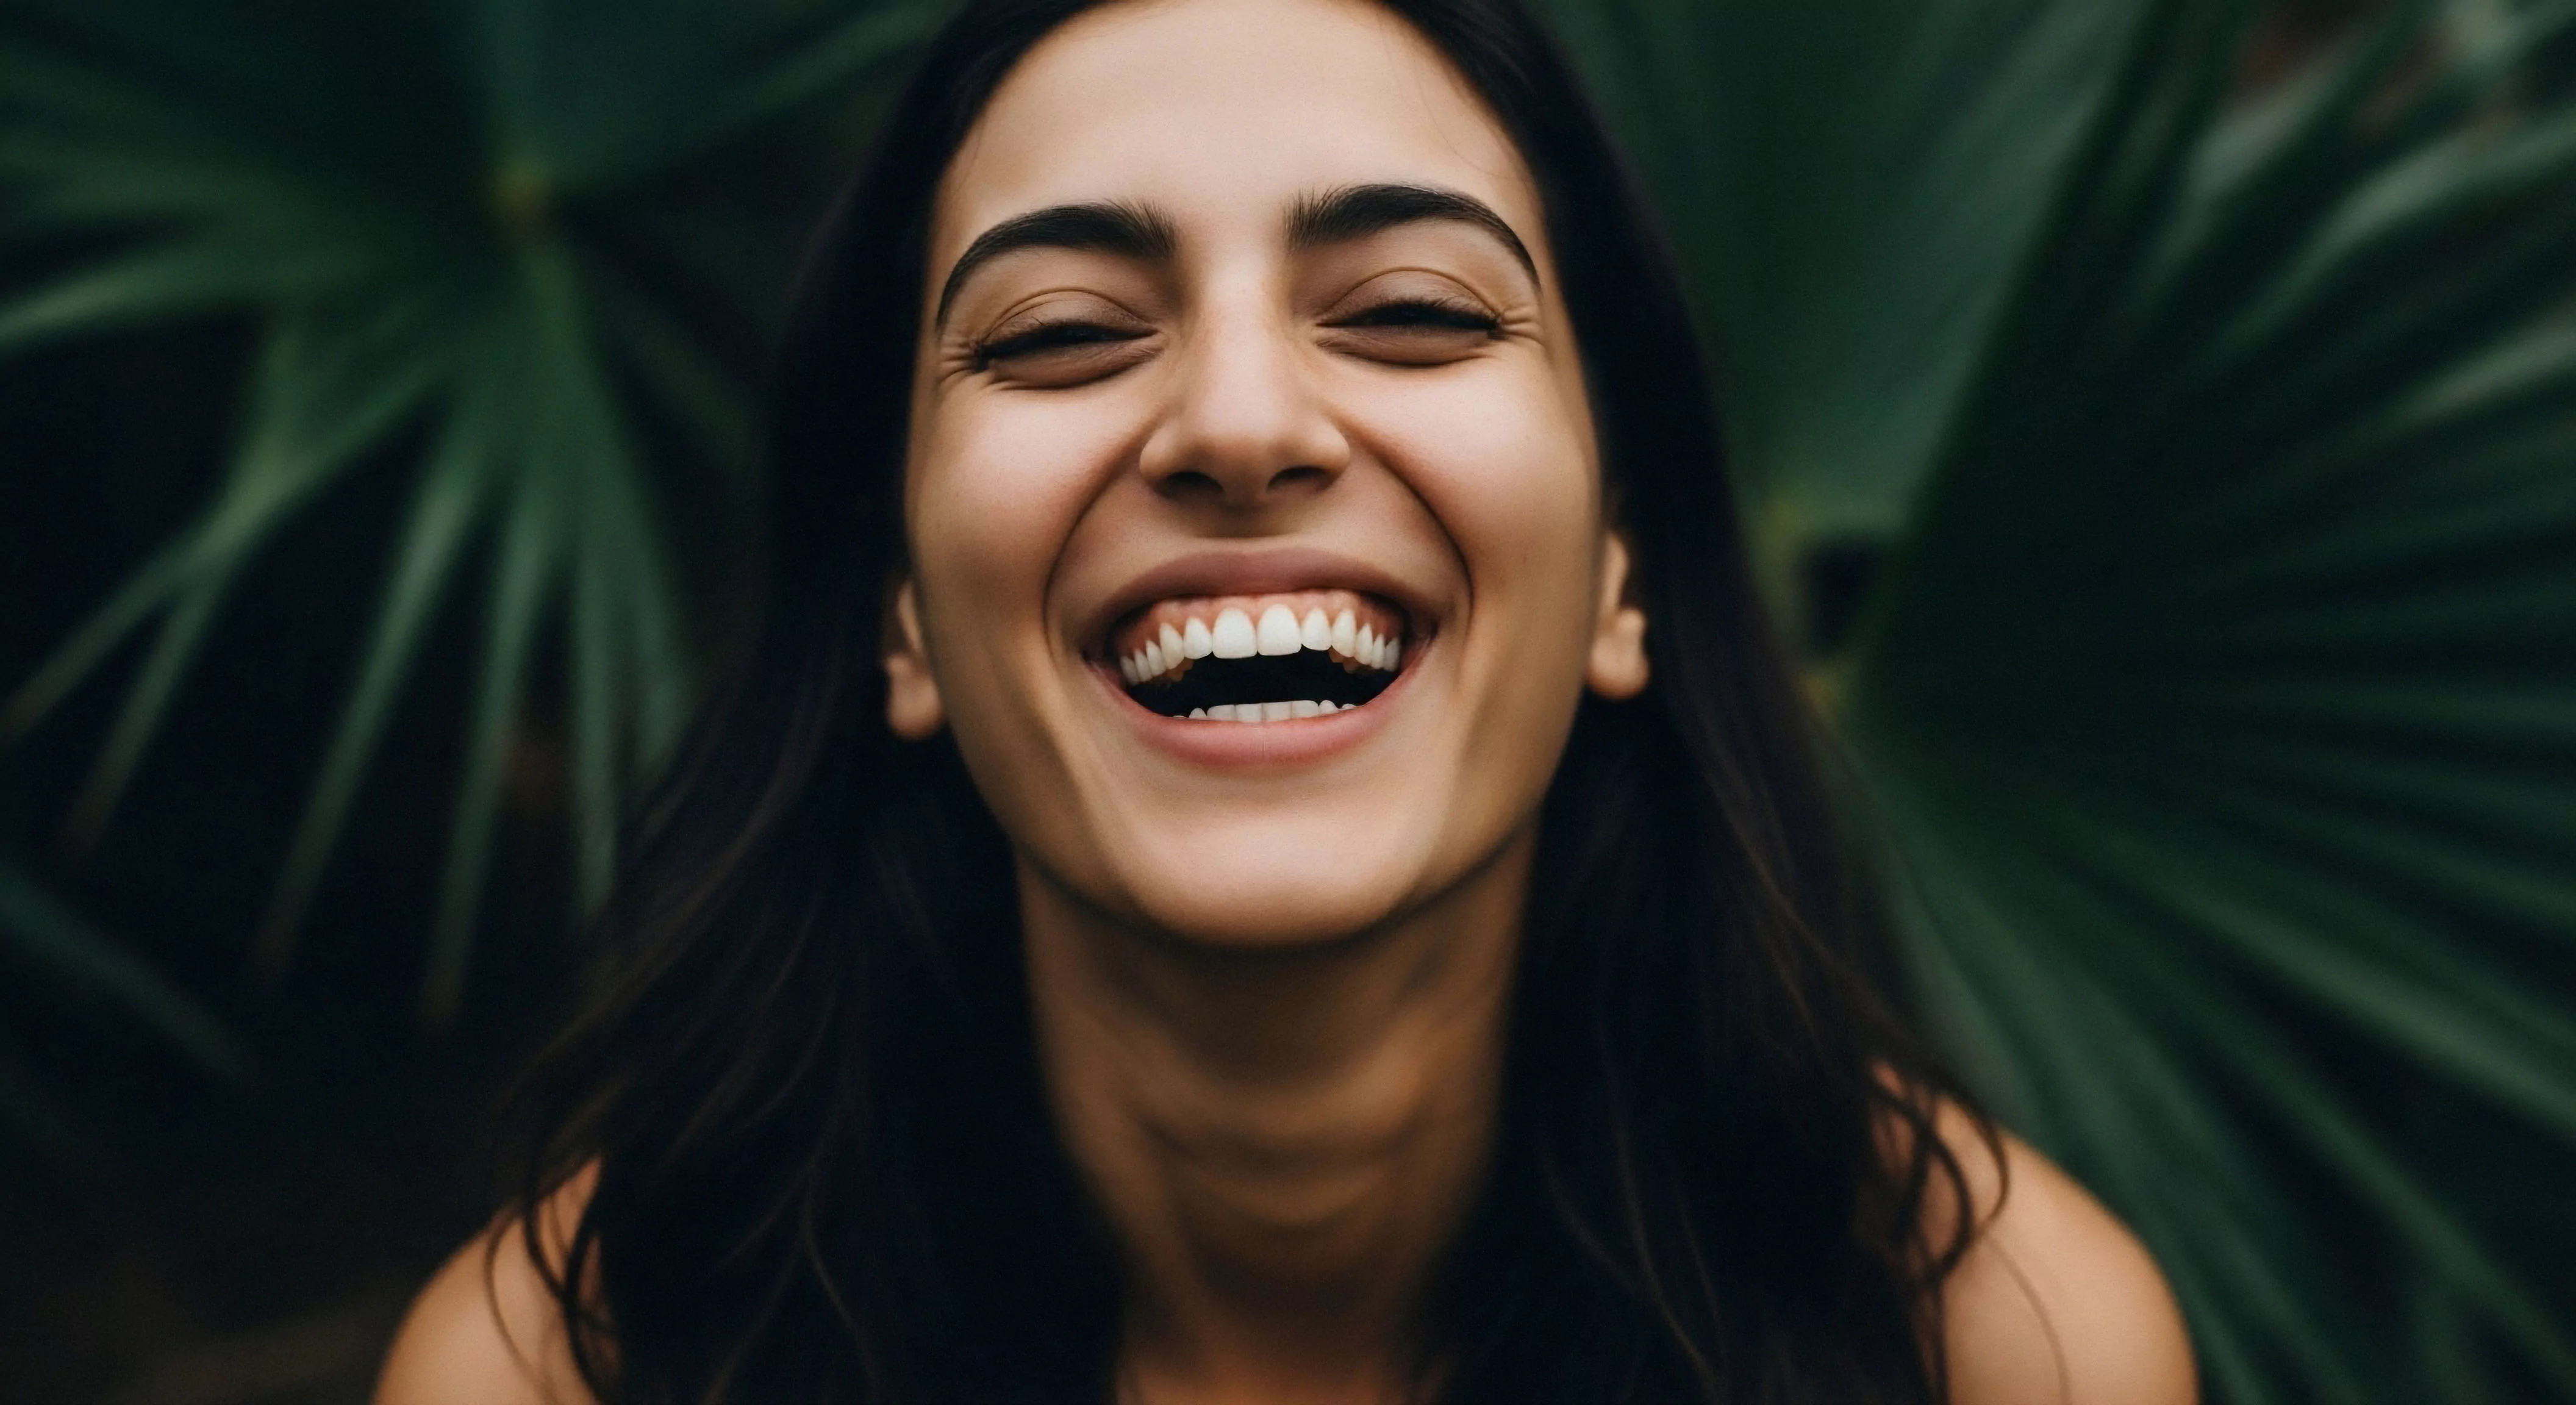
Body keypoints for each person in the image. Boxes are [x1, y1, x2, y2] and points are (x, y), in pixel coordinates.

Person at [376, 0, 2195, 1400]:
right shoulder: (563, 1372)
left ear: (1622, 572)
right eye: (1062, 333)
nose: (1241, 425)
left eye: (1408, 312)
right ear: (904, 621)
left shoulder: (2000, 1348)